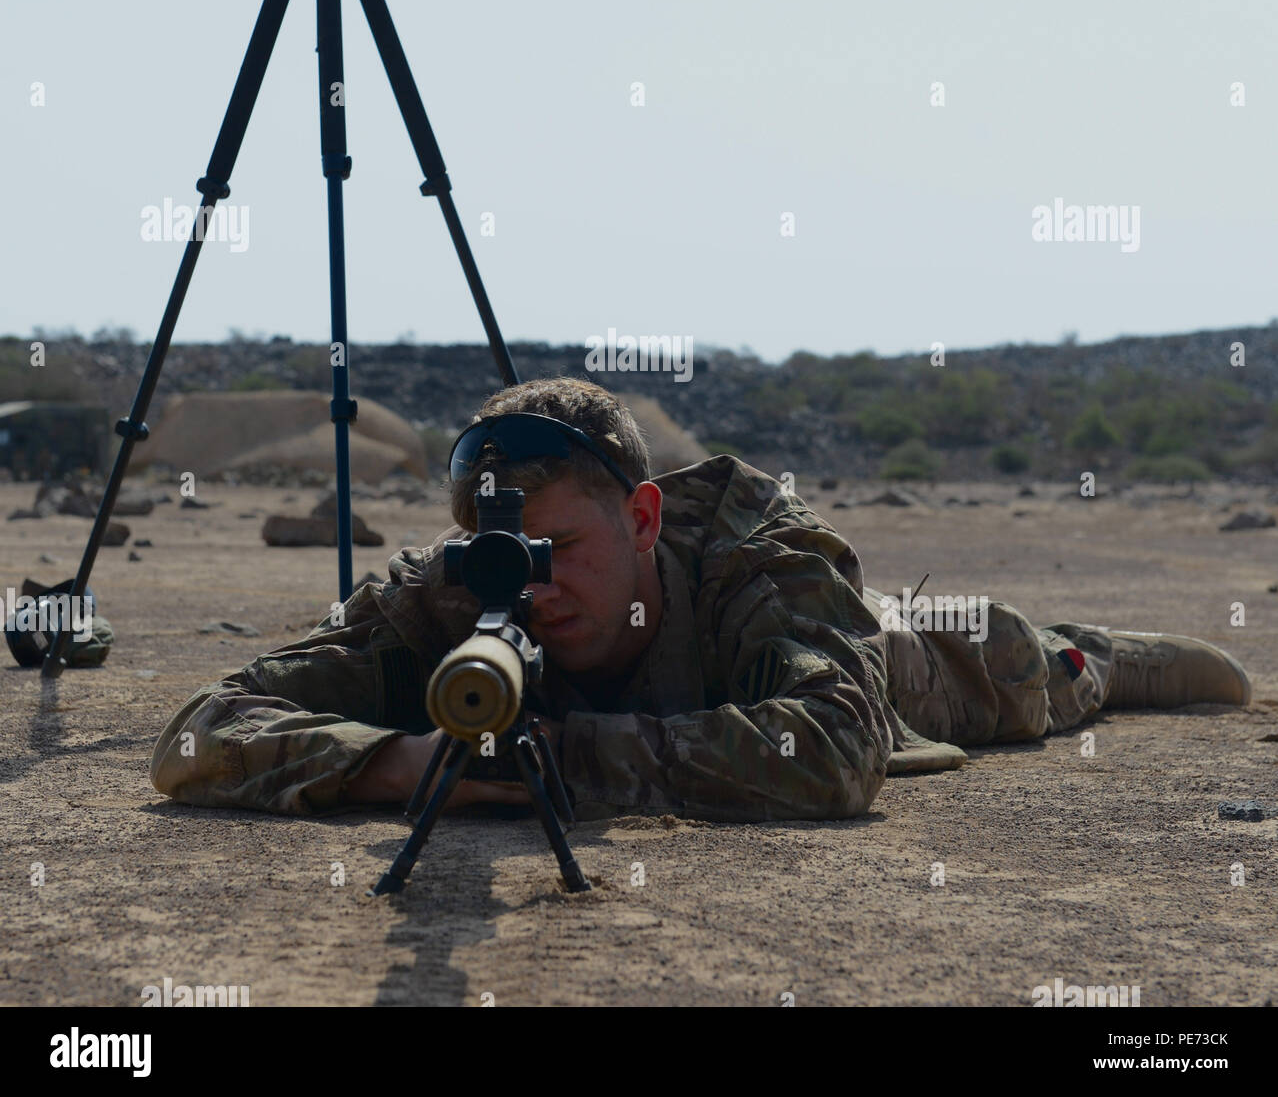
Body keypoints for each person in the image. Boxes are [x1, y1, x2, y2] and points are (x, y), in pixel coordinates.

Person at [149, 378, 1252, 821]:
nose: (528, 583)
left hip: (899, 671)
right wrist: (406, 765)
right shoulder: (447, 591)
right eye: (497, 553)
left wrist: (550, 767)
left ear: (637, 519)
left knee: (1002, 665)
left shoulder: (755, 556)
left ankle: (1100, 656)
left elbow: (830, 753)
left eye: (559, 548)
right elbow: (199, 732)